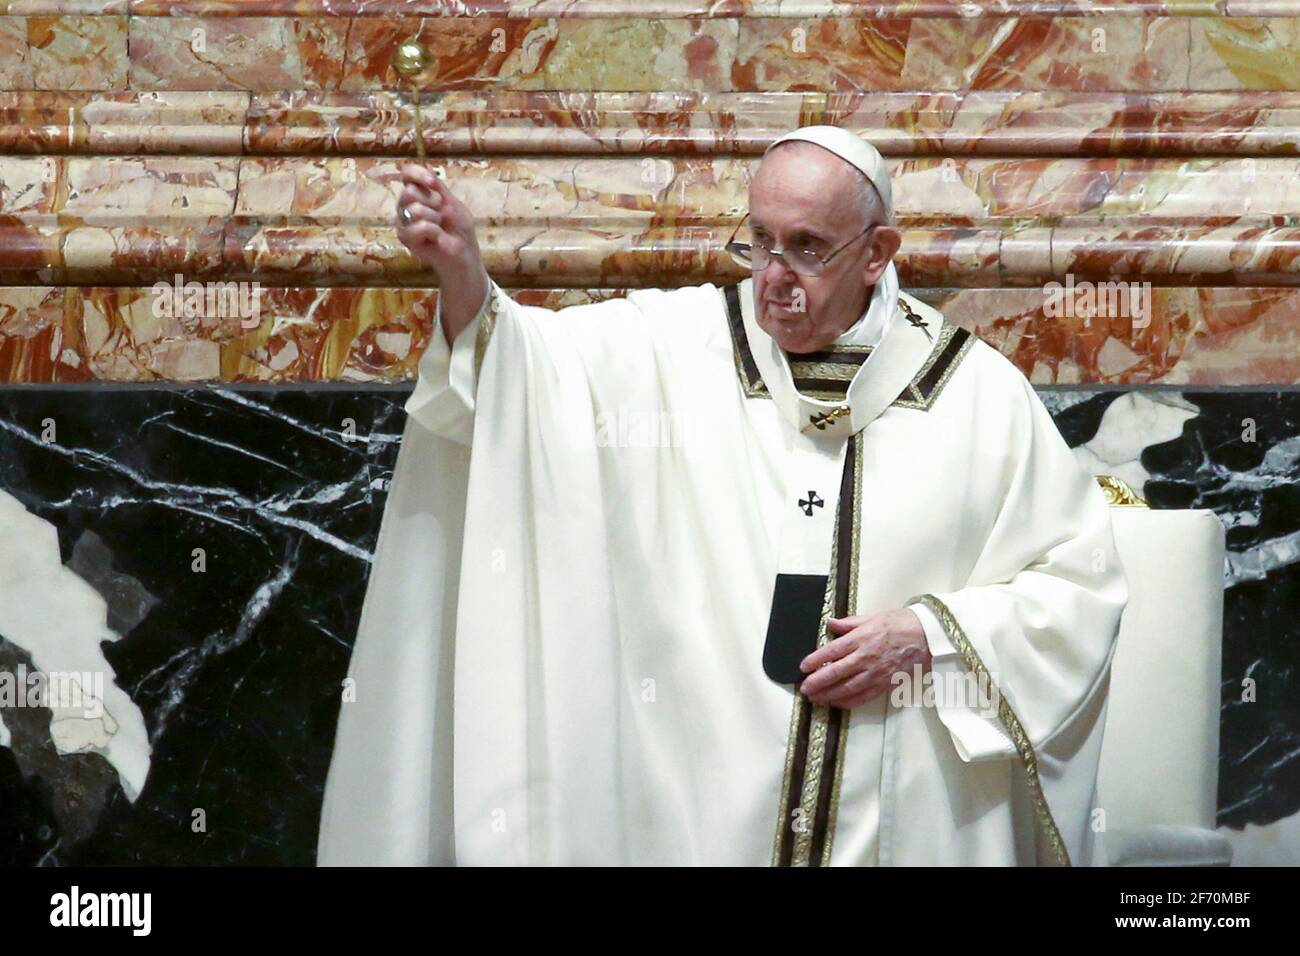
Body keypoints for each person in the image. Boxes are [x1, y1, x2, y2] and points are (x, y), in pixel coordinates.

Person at [316, 125, 1128, 866]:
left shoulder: (974, 394)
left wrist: (931, 636)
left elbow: (1079, 586)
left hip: (902, 811)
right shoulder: (677, 348)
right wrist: (463, 273)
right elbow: (524, 371)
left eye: (807, 248)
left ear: (878, 251)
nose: (774, 277)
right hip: (698, 807)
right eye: (760, 242)